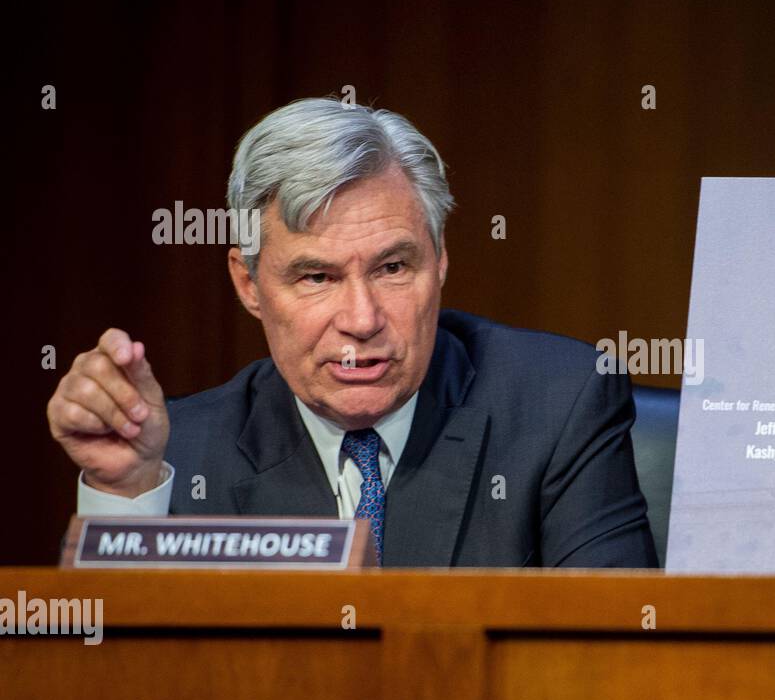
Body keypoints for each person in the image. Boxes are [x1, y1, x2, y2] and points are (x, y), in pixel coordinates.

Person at [46, 98, 658, 567]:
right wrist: (125, 492)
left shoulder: (558, 405)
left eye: (393, 268)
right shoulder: (178, 457)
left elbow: (615, 674)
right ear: (249, 283)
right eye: (316, 277)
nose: (362, 319)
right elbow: (122, 695)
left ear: (440, 259)